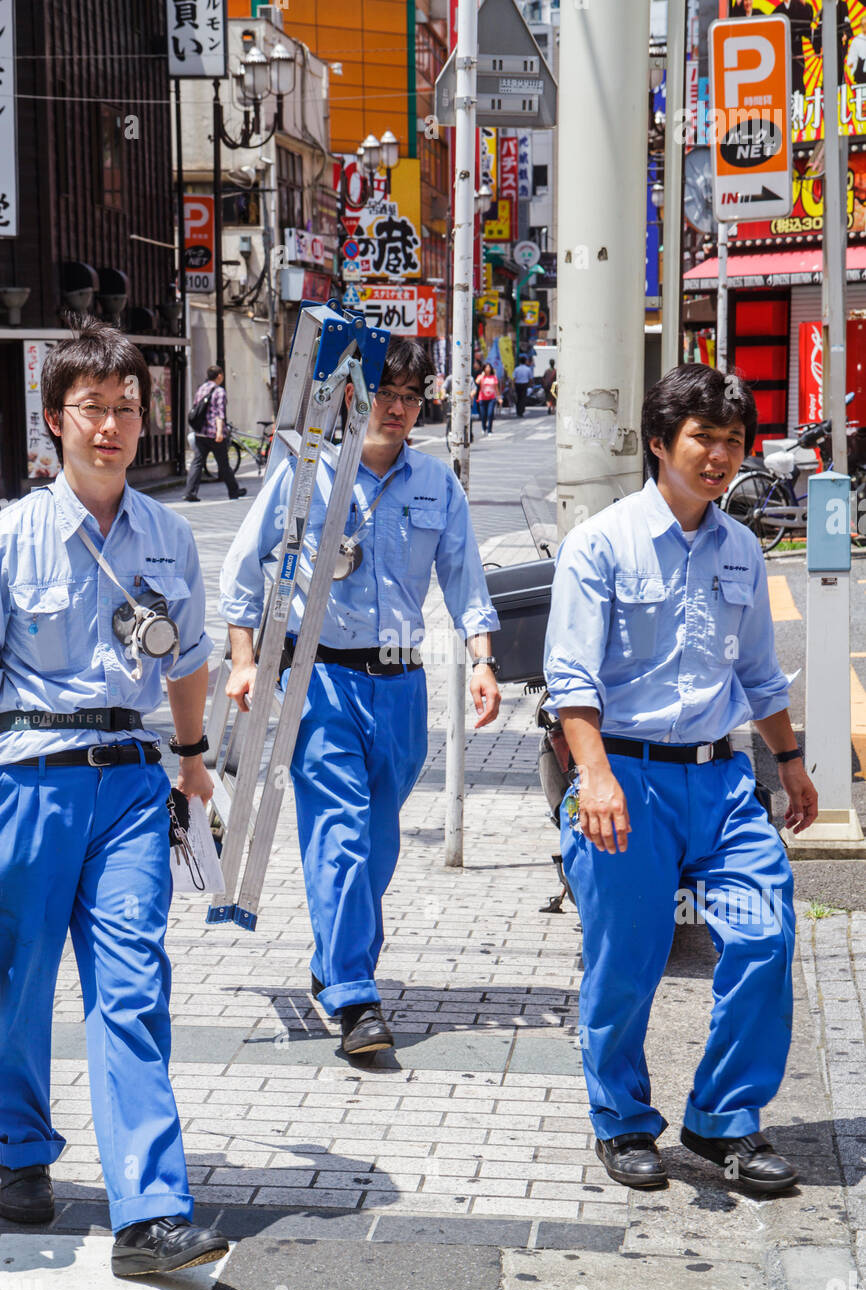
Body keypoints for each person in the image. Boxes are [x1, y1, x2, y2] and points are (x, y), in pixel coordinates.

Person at [544, 364, 818, 1194]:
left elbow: (763, 676)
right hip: (623, 780)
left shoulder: (740, 547)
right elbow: (570, 680)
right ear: (662, 444)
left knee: (766, 936)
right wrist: (593, 778)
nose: (720, 456)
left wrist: (794, 765)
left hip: (722, 782)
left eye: (734, 441)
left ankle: (722, 1119)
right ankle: (623, 1120)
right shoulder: (602, 543)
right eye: (703, 437)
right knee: (629, 961)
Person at [0, 320, 228, 1277]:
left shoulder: (170, 535)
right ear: (56, 420)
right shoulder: (12, 534)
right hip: (28, 781)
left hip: (133, 784)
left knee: (132, 989)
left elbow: (186, 661)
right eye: (92, 408)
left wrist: (192, 758)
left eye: (127, 409)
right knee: (15, 987)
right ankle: (16, 1155)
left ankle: (150, 1211)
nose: (112, 426)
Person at [220, 338, 501, 1056]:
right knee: (339, 834)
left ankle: (330, 961)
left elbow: (466, 581)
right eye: (387, 393)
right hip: (319, 679)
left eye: (412, 397)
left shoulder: (437, 484)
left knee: (376, 844)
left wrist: (481, 662)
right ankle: (355, 997)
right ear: (355, 395)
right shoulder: (305, 476)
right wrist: (247, 663)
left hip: (403, 688)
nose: (400, 408)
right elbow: (244, 572)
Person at [183, 365, 247, 503]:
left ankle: (190, 492)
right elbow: (219, 414)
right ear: (219, 376)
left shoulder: (201, 388)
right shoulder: (219, 391)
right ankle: (234, 491)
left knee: (197, 462)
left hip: (200, 433)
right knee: (223, 463)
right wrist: (219, 432)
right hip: (213, 433)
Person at [474, 362, 501, 435]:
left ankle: (489, 429)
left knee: (490, 413)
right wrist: (482, 376)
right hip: (482, 398)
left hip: (492, 398)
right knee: (483, 415)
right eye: (486, 367)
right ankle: (483, 427)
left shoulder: (493, 377)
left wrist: (499, 397)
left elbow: (496, 388)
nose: (488, 369)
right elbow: (476, 382)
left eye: (489, 367)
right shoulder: (481, 376)